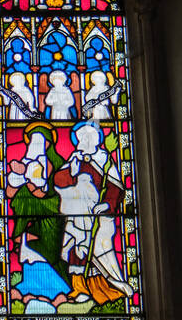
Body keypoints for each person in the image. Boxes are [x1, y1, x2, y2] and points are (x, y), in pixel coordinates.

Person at [55, 123, 131, 303]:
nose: (82, 141)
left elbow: (116, 187)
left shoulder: (105, 160)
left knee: (97, 250)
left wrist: (105, 205)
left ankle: (102, 290)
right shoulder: (76, 158)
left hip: (98, 217)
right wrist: (71, 171)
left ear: (95, 139)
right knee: (76, 249)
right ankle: (80, 289)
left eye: (86, 138)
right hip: (76, 214)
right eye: (80, 138)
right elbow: (59, 181)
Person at [8, 124, 70, 309]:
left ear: (48, 143)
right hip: (32, 219)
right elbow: (12, 193)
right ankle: (30, 290)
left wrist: (31, 187)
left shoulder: (55, 163)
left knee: (45, 255)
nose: (35, 144)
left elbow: (51, 193)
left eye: (39, 140)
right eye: (33, 140)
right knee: (29, 255)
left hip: (49, 218)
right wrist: (19, 177)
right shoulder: (27, 163)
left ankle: (54, 291)